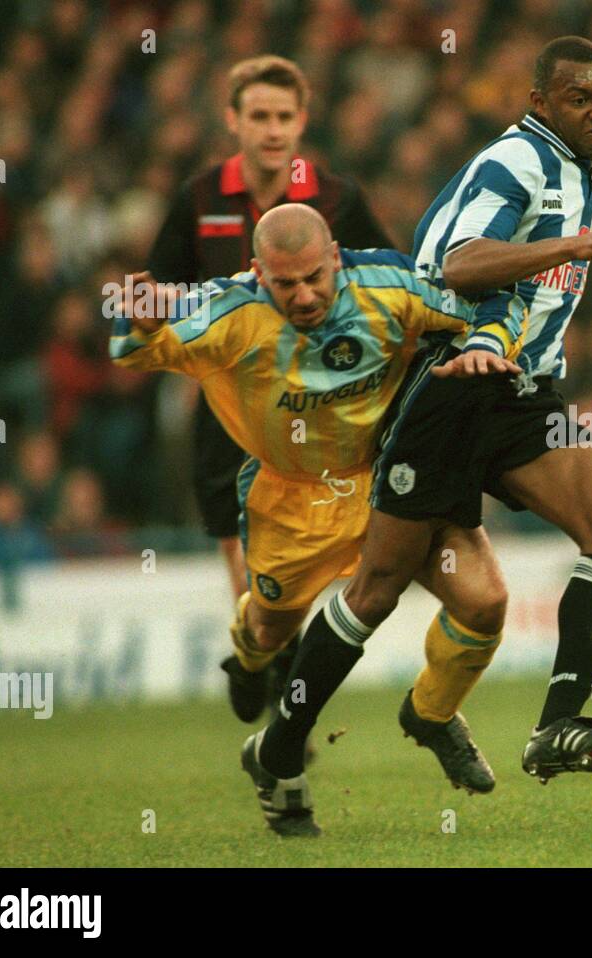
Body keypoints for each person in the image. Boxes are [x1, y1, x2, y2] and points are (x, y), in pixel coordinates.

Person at [254, 36, 592, 790]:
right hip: (449, 385)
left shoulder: (573, 166)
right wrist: (587, 242)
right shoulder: (520, 161)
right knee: (378, 587)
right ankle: (283, 739)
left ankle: (556, 727)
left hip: (518, 389)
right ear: (541, 102)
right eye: (582, 98)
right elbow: (456, 263)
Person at [113, 205, 525, 836]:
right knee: (272, 626)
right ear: (258, 274)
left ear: (336, 257)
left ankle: (432, 713)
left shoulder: (388, 285)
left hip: (393, 479)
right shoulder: (228, 312)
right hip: (289, 503)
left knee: (485, 603)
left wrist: (485, 345)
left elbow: (494, 303)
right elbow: (133, 346)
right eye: (285, 284)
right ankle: (251, 657)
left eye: (314, 277)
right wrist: (136, 317)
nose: (304, 295)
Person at [145, 55, 394, 723]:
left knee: (307, 535)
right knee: (235, 533)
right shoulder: (199, 199)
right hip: (228, 400)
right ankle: (264, 652)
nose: (273, 129)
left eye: (285, 116)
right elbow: (154, 289)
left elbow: (386, 275)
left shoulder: (338, 200)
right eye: (259, 116)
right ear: (233, 120)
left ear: (303, 122)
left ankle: (270, 658)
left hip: (321, 406)